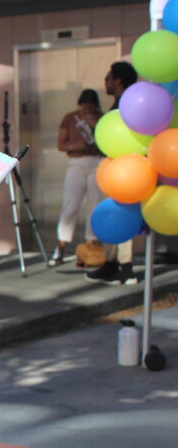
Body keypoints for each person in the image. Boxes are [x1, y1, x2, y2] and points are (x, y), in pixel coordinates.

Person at [87, 61, 139, 285]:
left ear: (118, 80)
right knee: (112, 211)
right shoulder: (121, 102)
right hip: (114, 167)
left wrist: (96, 124)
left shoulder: (127, 103)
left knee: (124, 211)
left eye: (108, 78)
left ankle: (126, 267)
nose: (105, 82)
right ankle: (111, 263)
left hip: (124, 168)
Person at [48, 89, 105, 267]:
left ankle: (90, 247)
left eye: (91, 107)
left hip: (97, 162)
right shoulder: (70, 118)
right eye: (84, 106)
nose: (87, 110)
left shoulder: (101, 118)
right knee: (70, 205)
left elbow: (106, 141)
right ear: (79, 104)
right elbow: (61, 144)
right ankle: (61, 245)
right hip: (76, 163)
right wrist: (76, 145)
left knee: (94, 205)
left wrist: (95, 124)